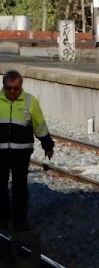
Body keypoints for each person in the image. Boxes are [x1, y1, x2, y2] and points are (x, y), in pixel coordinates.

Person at [0, 70, 54, 231]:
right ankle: (2, 219)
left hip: (21, 153)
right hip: (0, 152)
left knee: (20, 188)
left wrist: (48, 145)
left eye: (15, 88)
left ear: (20, 86)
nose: (12, 92)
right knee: (0, 186)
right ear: (4, 86)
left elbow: (40, 126)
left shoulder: (30, 102)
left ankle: (19, 221)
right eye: (8, 88)